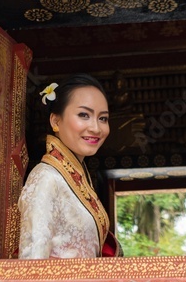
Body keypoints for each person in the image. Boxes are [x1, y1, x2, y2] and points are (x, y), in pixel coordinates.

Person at [19, 75, 117, 259]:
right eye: (83, 115)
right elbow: (32, 263)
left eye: (103, 118)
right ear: (56, 121)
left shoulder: (76, 177)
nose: (96, 128)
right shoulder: (46, 177)